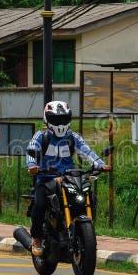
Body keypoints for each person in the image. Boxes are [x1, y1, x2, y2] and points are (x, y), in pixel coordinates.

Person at [26, 100, 111, 257]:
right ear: (47, 119)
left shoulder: (73, 137)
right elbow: (31, 150)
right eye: (56, 119)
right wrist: (32, 165)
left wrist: (99, 164)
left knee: (89, 197)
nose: (60, 123)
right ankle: (36, 237)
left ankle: (85, 233)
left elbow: (87, 152)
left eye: (63, 119)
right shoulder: (40, 136)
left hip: (69, 178)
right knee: (39, 203)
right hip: (46, 178)